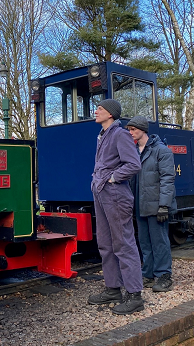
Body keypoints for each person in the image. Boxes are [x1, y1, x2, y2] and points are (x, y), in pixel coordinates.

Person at [87, 99, 144, 315]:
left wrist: (112, 178)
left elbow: (133, 164)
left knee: (124, 244)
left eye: (100, 108)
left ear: (111, 114)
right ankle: (113, 289)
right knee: (105, 243)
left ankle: (135, 295)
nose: (97, 111)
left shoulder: (119, 134)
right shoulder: (102, 135)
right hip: (101, 193)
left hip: (116, 194)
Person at [126, 115, 176, 292]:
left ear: (143, 130)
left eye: (134, 129)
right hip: (140, 205)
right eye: (129, 130)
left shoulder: (162, 151)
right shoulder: (133, 152)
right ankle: (147, 274)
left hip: (156, 206)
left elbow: (167, 179)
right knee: (145, 242)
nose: (131, 132)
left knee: (159, 242)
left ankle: (164, 275)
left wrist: (164, 205)